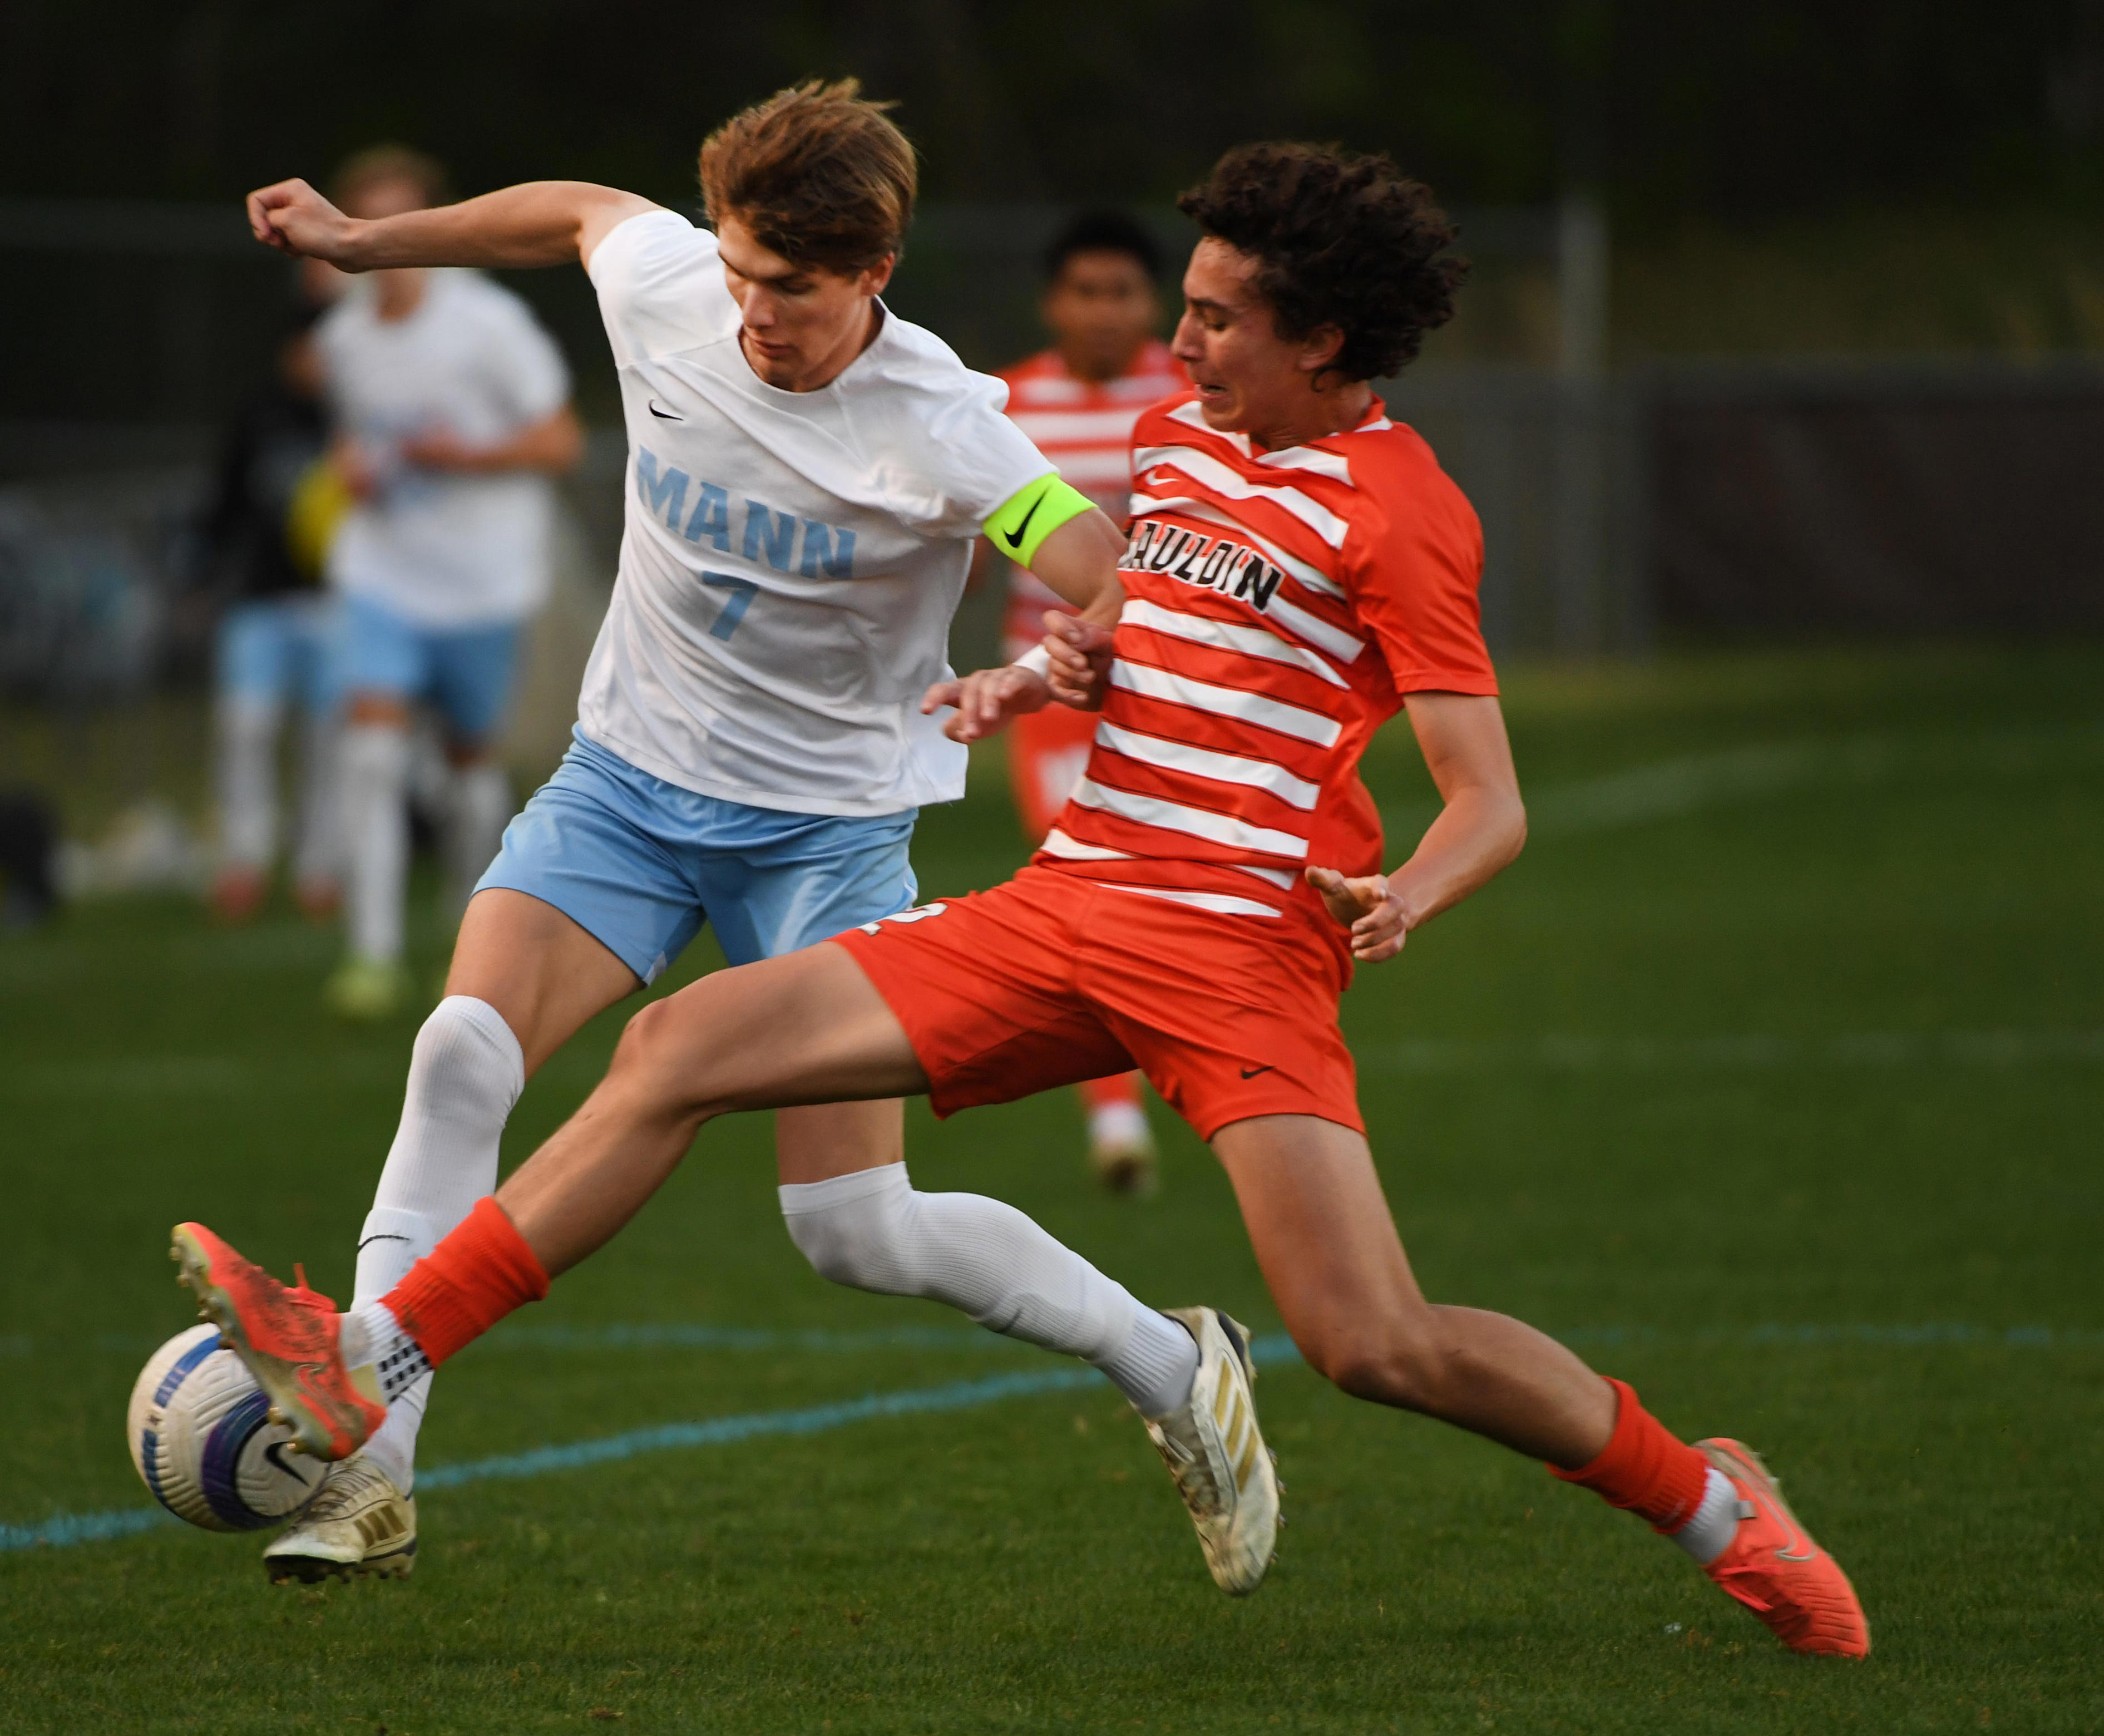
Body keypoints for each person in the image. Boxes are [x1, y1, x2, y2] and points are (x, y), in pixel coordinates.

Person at [175, 141, 1870, 1657]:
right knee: (676, 1050)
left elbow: (1489, 796)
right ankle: (374, 1365)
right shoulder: (1177, 442)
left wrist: (1408, 891)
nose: (1175, 343)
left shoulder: (1407, 512)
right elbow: (1144, 633)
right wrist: (1047, 676)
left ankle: (1710, 1502)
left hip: (1242, 950)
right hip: (1065, 903)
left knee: (1374, 1343)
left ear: (1328, 345)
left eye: (1215, 318)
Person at [204, 82, 1229, 1590]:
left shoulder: (942, 424)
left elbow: (1098, 561)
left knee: (850, 1227)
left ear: (873, 271)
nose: (753, 312)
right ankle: (374, 1475)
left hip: (823, 839)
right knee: (457, 1055)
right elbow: (574, 211)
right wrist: (366, 242)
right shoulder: (676, 284)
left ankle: (1171, 1362)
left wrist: (1069, 643)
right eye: (741, 271)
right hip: (628, 782)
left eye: (793, 291)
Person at [315, 145, 585, 1020]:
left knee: (471, 770)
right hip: (382, 571)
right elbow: (359, 443)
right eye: (365, 227)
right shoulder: (342, 337)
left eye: (399, 225)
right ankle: (373, 955)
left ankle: (470, 929)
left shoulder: (489, 324)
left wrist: (467, 459)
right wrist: (351, 470)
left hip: (482, 581)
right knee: (370, 749)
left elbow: (560, 442)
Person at [989, 212, 1186, 1195]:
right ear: (1052, 301)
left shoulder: (1194, 401)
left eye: (1123, 292)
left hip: (1182, 690)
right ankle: (1116, 1120)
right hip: (1057, 688)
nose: (1104, 311)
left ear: (1153, 304)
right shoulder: (1008, 405)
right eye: (1086, 291)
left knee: (1185, 890)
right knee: (1089, 893)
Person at [197, 260, 350, 923]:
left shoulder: (356, 420)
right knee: (247, 727)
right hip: (260, 602)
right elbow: (223, 503)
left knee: (330, 739)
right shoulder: (258, 413)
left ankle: (320, 865)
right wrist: (201, 573)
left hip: (338, 604)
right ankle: (244, 858)